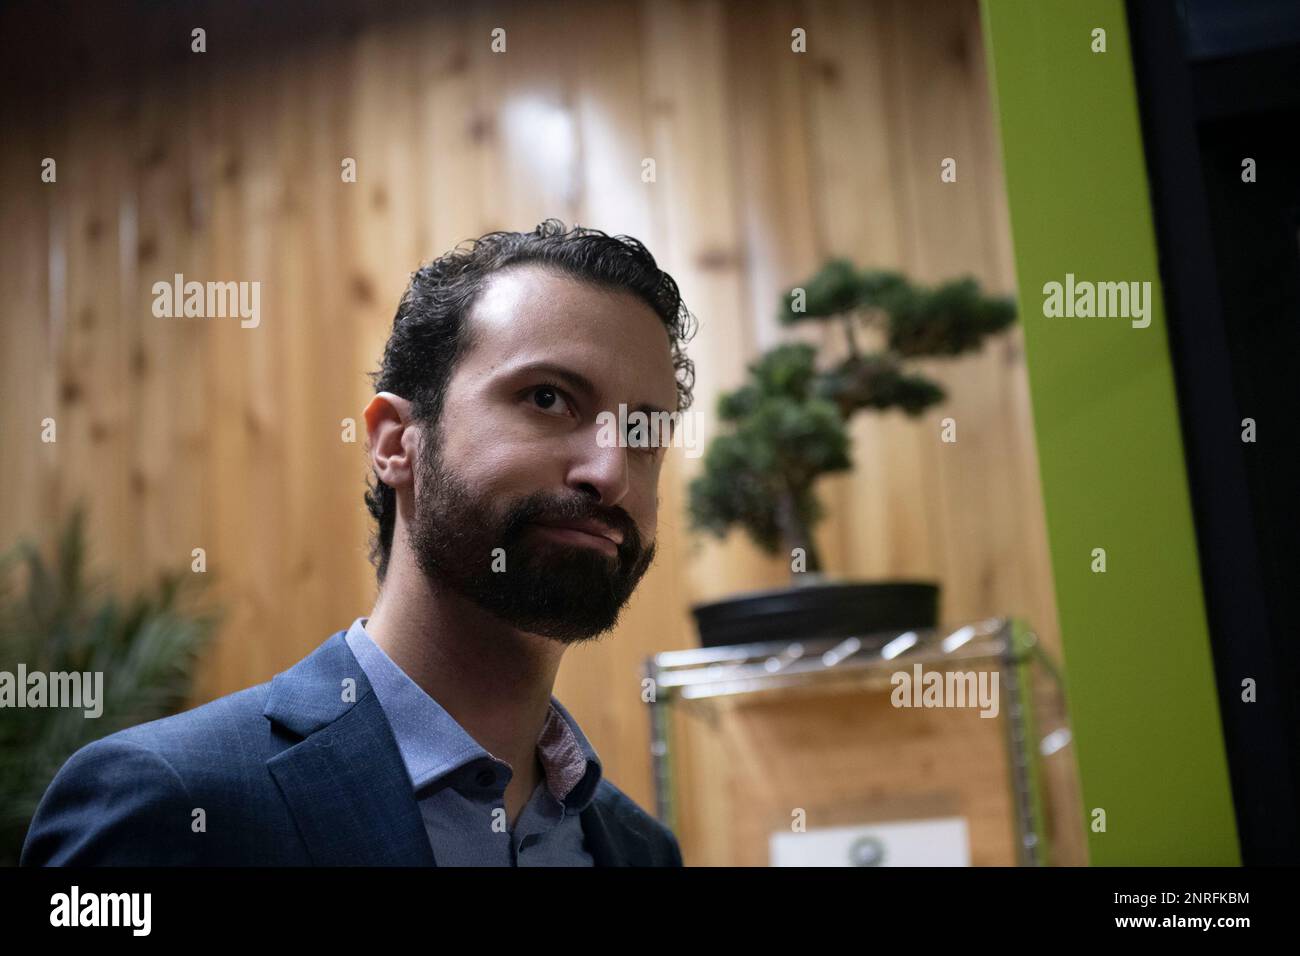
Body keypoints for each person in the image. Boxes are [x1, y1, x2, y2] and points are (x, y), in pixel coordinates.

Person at [21, 219, 696, 866]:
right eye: (548, 399)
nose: (608, 472)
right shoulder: (167, 804)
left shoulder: (640, 850)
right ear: (395, 443)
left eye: (642, 432)